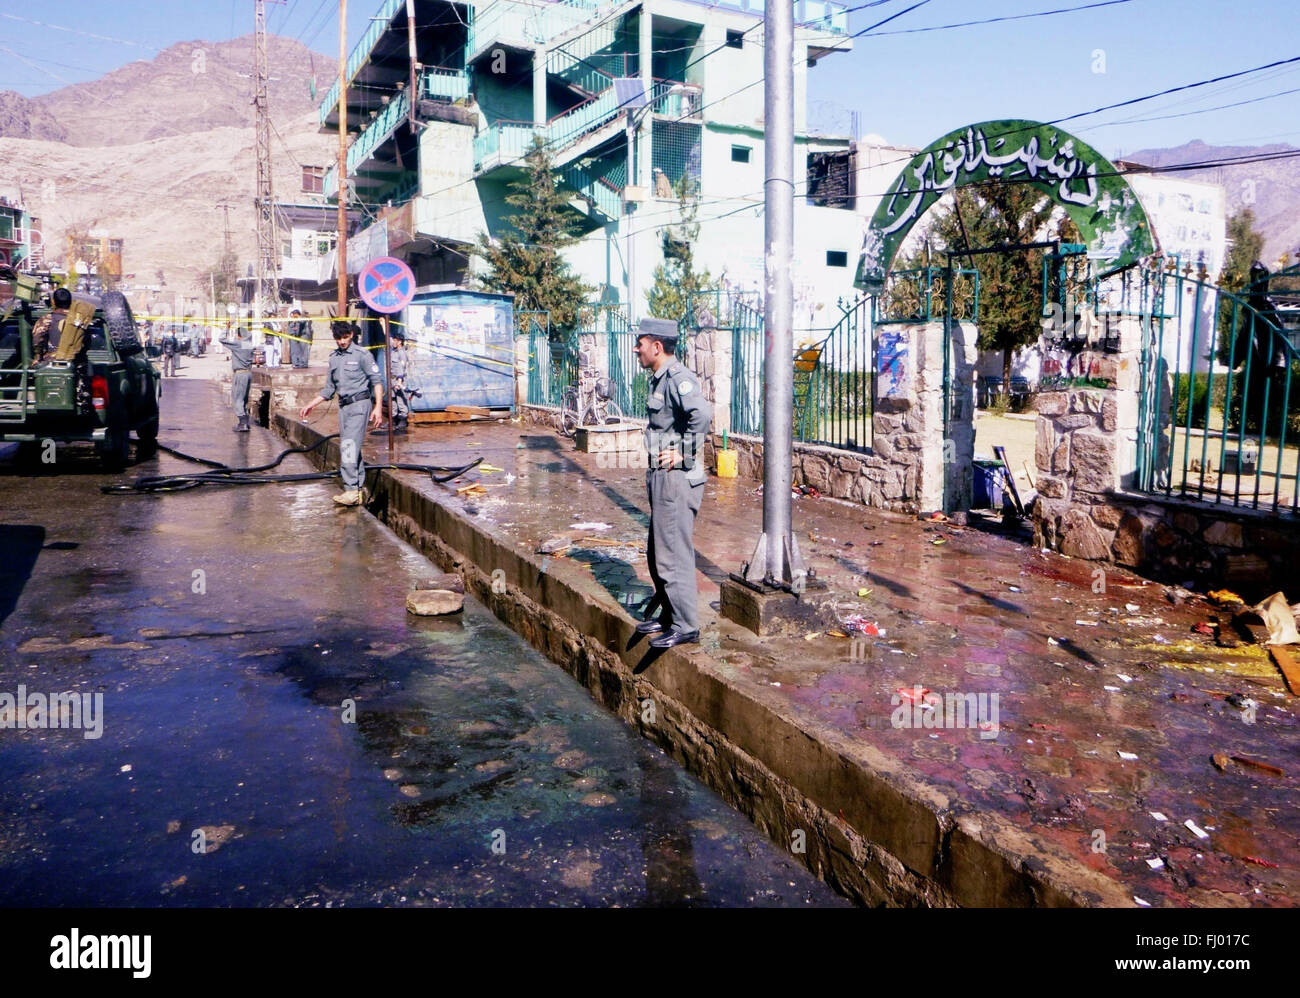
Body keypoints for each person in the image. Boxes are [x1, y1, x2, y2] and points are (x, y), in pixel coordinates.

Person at [633, 318, 712, 649]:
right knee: (657, 551)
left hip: (677, 479)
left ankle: (685, 624)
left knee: (673, 554)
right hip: (662, 477)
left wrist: (682, 452)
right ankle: (669, 615)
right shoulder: (659, 379)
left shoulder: (678, 378)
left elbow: (703, 416)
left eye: (641, 343)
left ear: (657, 346)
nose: (636, 349)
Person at [299, 321, 383, 506]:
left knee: (348, 447)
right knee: (351, 447)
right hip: (344, 407)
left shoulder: (362, 355)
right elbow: (329, 388)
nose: (342, 341)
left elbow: (376, 381)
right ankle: (358, 489)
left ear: (351, 335)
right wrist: (311, 404)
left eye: (345, 337)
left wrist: (378, 407)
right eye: (338, 338)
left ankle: (351, 490)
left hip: (360, 404)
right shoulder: (334, 358)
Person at [219, 324, 255, 432]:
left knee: (237, 399)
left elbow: (222, 339)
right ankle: (245, 422)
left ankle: (242, 422)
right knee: (244, 399)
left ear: (239, 336)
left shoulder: (239, 344)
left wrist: (227, 328)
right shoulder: (249, 344)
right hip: (248, 373)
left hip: (240, 374)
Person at [31, 286, 72, 362]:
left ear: (53, 301)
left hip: (51, 363)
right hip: (74, 363)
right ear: (70, 302)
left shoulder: (46, 319)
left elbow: (37, 340)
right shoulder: (79, 319)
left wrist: (38, 356)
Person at [388, 328, 411, 434]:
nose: (393, 342)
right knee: (392, 399)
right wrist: (384, 324)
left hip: (398, 380)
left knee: (400, 400)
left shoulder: (401, 353)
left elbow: (401, 368)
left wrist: (399, 382)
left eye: (395, 340)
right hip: (392, 379)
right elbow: (387, 338)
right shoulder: (394, 351)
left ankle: (403, 419)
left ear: (399, 342)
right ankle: (393, 420)